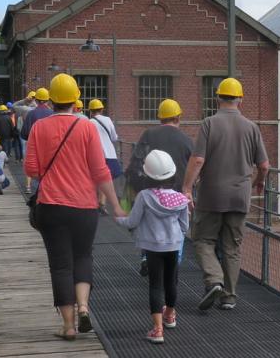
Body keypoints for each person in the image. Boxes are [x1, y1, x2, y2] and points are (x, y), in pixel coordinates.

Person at [24, 73, 125, 341]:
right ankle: (84, 306)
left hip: (51, 205)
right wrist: (115, 205)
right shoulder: (87, 128)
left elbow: (31, 169)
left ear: (52, 100)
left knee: (60, 265)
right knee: (83, 256)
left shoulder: (38, 128)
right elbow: (100, 171)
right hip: (84, 206)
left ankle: (68, 326)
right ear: (74, 100)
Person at [181, 78, 269, 311]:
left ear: (217, 97)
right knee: (232, 247)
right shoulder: (252, 127)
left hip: (211, 195)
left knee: (202, 239)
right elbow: (264, 166)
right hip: (240, 196)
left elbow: (198, 159)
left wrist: (187, 187)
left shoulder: (209, 123)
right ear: (241, 99)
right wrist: (257, 183)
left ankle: (214, 279)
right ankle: (229, 297)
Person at [115, 150, 189, 344]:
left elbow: (132, 221)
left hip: (152, 247)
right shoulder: (180, 199)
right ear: (172, 173)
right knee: (171, 281)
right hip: (173, 245)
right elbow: (184, 226)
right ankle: (170, 315)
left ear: (148, 174)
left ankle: (157, 330)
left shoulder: (144, 197)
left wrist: (118, 219)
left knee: (155, 285)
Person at [128, 98, 193, 276]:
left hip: (150, 193)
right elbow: (194, 167)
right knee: (176, 231)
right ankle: (172, 267)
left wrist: (138, 189)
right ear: (178, 117)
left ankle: (146, 257)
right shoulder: (186, 140)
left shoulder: (148, 135)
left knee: (149, 227)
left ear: (160, 118)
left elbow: (135, 163)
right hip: (176, 196)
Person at [88, 99, 122, 213]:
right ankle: (102, 202)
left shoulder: (89, 122)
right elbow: (114, 137)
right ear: (102, 109)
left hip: (96, 155)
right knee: (107, 178)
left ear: (90, 111)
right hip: (109, 154)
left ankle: (96, 202)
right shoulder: (107, 120)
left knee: (96, 178)